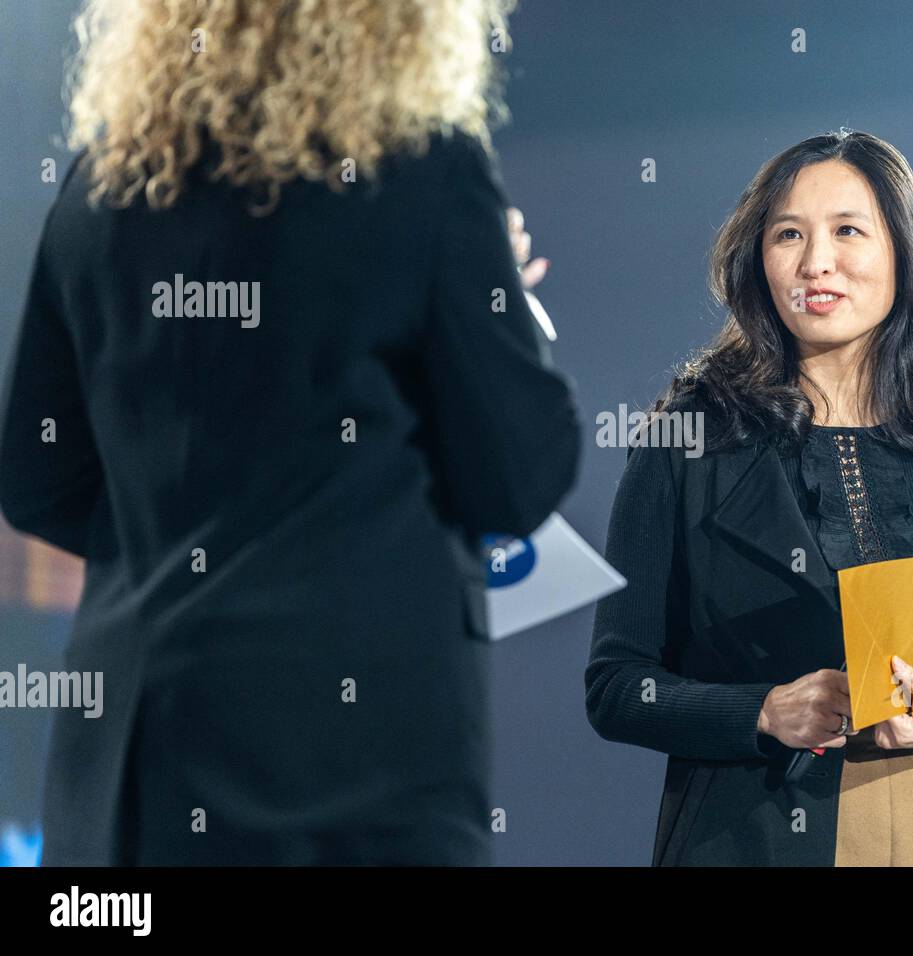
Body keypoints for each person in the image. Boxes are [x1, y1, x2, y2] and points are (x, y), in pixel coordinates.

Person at [0, 0, 580, 865]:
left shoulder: (100, 187)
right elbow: (520, 473)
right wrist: (505, 299)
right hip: (346, 769)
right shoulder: (421, 169)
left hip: (128, 771)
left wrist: (174, 531)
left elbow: (37, 482)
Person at [585, 129, 913, 866]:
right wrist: (765, 712)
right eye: (788, 235)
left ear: (902, 252)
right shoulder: (690, 437)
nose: (816, 262)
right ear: (758, 261)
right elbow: (617, 686)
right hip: (750, 838)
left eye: (847, 231)